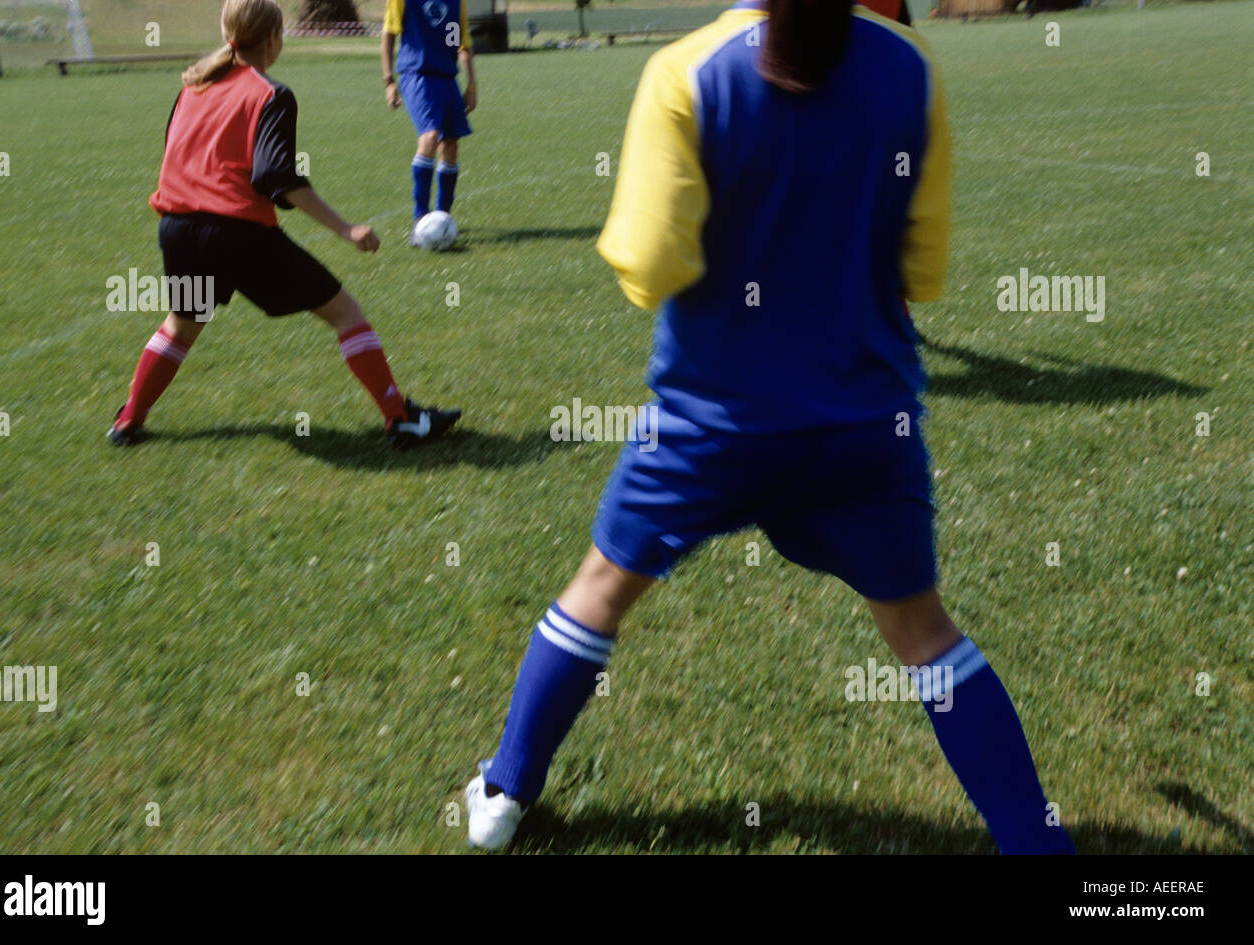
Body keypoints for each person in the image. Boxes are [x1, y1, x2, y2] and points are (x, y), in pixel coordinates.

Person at [464, 0, 1075, 854]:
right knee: (924, 632)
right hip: (865, 423)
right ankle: (1039, 848)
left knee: (603, 585)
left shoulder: (685, 72)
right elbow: (923, 269)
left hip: (714, 423)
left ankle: (502, 792)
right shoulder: (911, 65)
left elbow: (650, 267)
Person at [109, 0, 459, 449]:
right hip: (236, 234)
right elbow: (275, 177)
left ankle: (128, 420)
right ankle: (401, 420)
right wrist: (345, 228)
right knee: (346, 314)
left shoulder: (192, 87)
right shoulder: (271, 94)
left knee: (182, 323)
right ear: (273, 40)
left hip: (178, 229)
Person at [380, 0, 478, 236]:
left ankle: (442, 218)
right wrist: (389, 80)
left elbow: (456, 42)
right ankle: (420, 219)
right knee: (430, 136)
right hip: (417, 75)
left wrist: (471, 83)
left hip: (446, 78)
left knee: (451, 144)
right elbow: (389, 34)